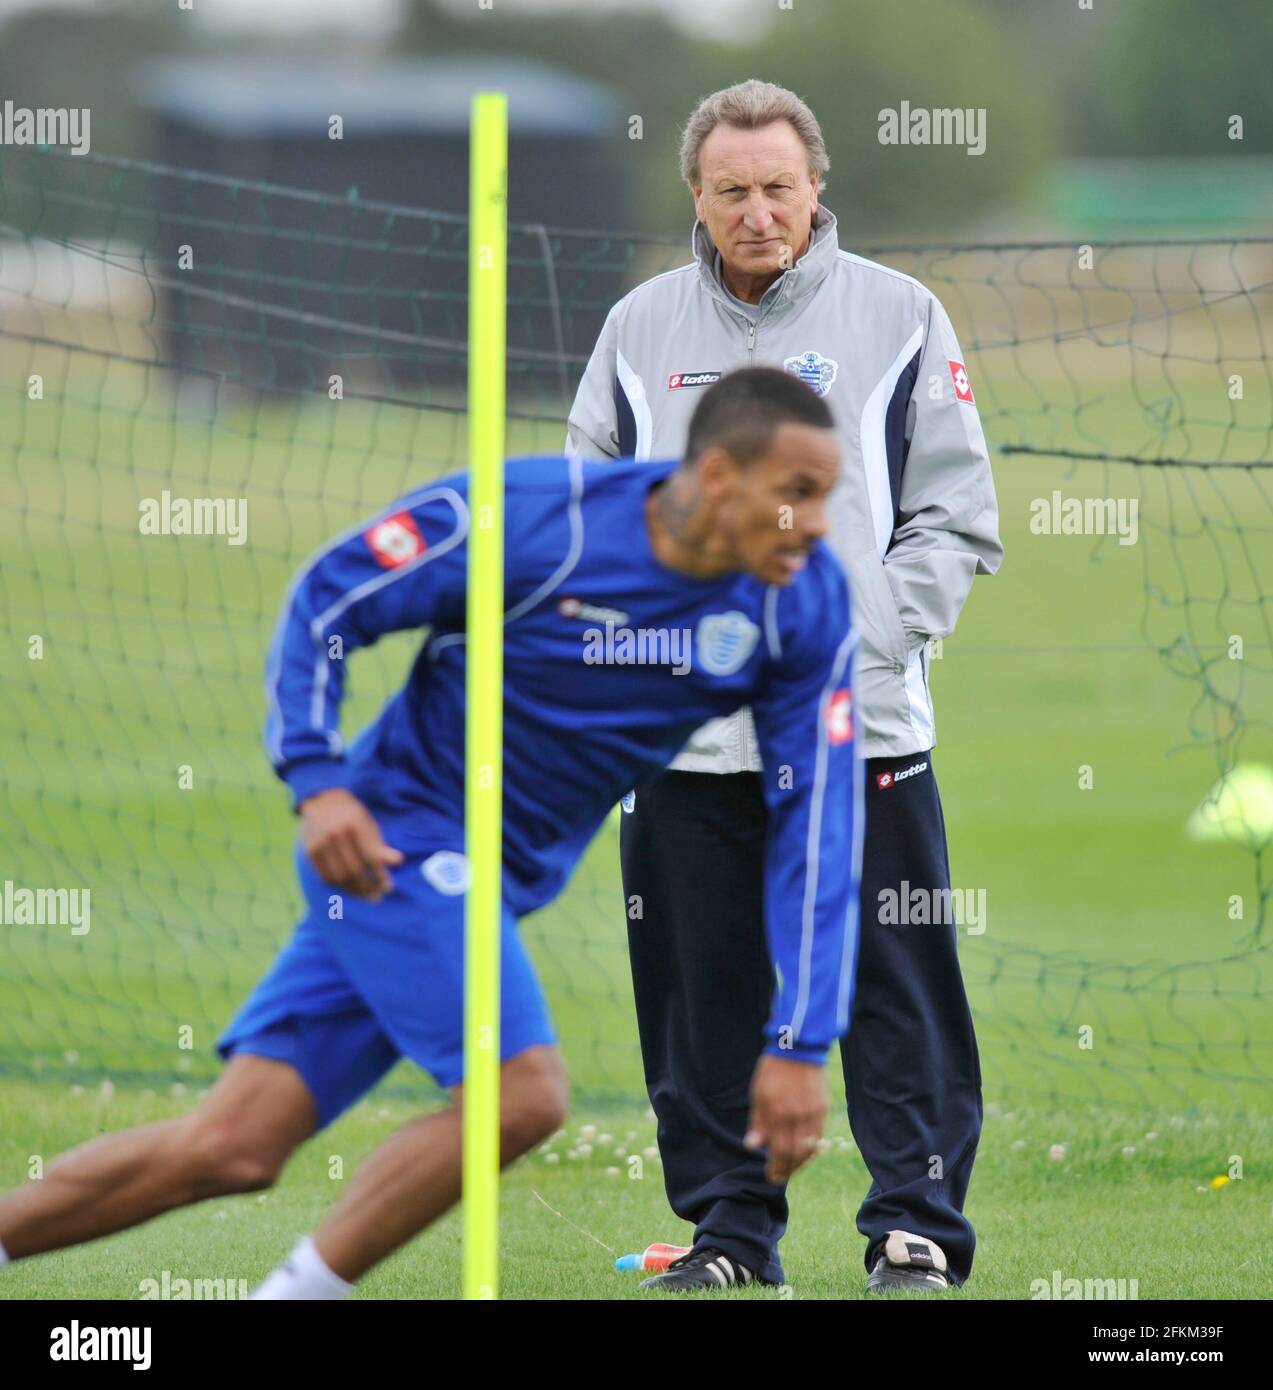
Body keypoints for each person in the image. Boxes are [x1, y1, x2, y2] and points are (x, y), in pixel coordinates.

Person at [0, 368, 863, 1299]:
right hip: (391, 845)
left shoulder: (799, 604)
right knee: (521, 1096)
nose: (815, 523)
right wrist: (315, 780)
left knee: (232, 1148)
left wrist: (802, 1042)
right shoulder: (534, 519)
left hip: (486, 884)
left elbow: (818, 827)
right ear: (723, 478)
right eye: (798, 494)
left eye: (827, 497)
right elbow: (329, 601)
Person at [567, 79, 1002, 1293]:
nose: (757, 212)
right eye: (731, 191)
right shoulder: (638, 330)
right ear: (696, 200)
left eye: (778, 188)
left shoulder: (902, 315)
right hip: (684, 739)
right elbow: (585, 519)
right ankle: (728, 1237)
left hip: (857, 730)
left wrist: (857, 638)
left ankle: (912, 1227)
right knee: (701, 1002)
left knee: (893, 988)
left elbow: (955, 520)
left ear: (817, 190)